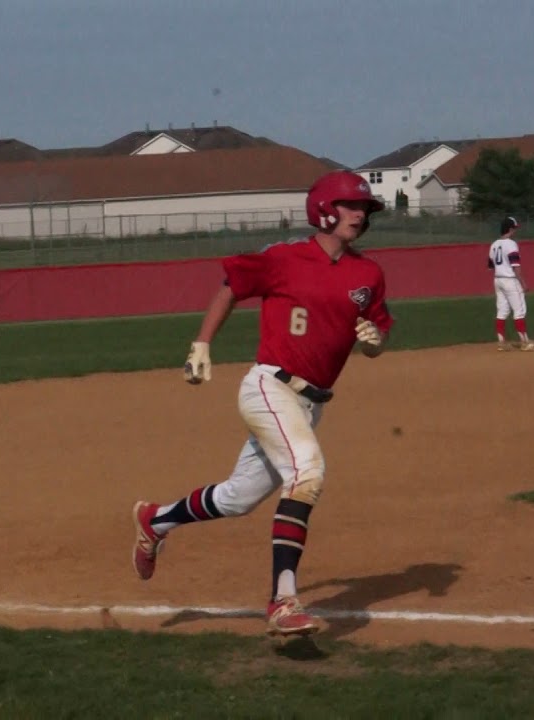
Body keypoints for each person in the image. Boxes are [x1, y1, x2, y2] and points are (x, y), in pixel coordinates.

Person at [131, 170, 394, 637]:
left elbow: (378, 326)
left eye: (365, 209)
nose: (360, 214)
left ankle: (156, 519)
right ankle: (283, 601)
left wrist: (374, 342)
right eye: (352, 206)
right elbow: (232, 284)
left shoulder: (367, 273)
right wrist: (202, 344)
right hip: (269, 387)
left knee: (238, 497)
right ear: (324, 209)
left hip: (312, 402)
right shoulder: (285, 257)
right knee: (307, 472)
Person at [487, 216, 534, 351]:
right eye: (514, 228)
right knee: (519, 311)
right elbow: (515, 266)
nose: (515, 231)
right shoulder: (511, 244)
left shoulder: (494, 245)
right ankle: (525, 342)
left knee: (502, 311)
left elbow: (491, 266)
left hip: (497, 279)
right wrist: (523, 282)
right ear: (510, 229)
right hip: (510, 280)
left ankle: (501, 343)